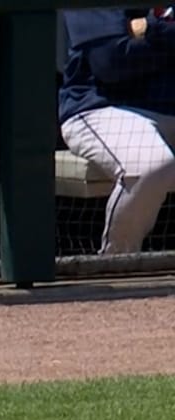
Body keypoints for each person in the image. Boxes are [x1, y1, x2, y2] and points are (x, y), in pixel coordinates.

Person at [60, 7, 175, 253]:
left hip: (168, 108)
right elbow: (111, 61)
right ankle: (118, 263)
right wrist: (166, 29)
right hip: (103, 109)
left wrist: (150, 29)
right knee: (150, 165)